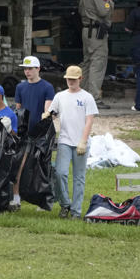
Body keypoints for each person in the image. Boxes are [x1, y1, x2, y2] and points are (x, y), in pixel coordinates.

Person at [47, 65, 98, 219]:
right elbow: (52, 112)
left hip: (81, 142)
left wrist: (83, 141)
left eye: (74, 79)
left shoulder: (87, 97)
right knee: (60, 173)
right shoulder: (60, 96)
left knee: (78, 177)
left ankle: (76, 211)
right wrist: (47, 115)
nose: (71, 81)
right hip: (64, 140)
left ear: (80, 79)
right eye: (69, 79)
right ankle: (65, 204)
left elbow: (89, 121)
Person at [13, 55, 54, 210]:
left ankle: (42, 201)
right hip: (24, 132)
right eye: (25, 69)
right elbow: (18, 109)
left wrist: (44, 121)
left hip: (41, 132)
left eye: (30, 68)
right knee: (19, 164)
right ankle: (16, 197)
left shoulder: (47, 87)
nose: (27, 71)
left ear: (38, 69)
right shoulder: (20, 87)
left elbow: (47, 111)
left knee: (41, 167)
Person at [79, 0, 114, 109]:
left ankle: (81, 94)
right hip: (96, 32)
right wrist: (110, 3)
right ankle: (93, 97)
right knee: (97, 63)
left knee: (87, 63)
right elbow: (103, 10)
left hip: (87, 29)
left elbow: (81, 8)